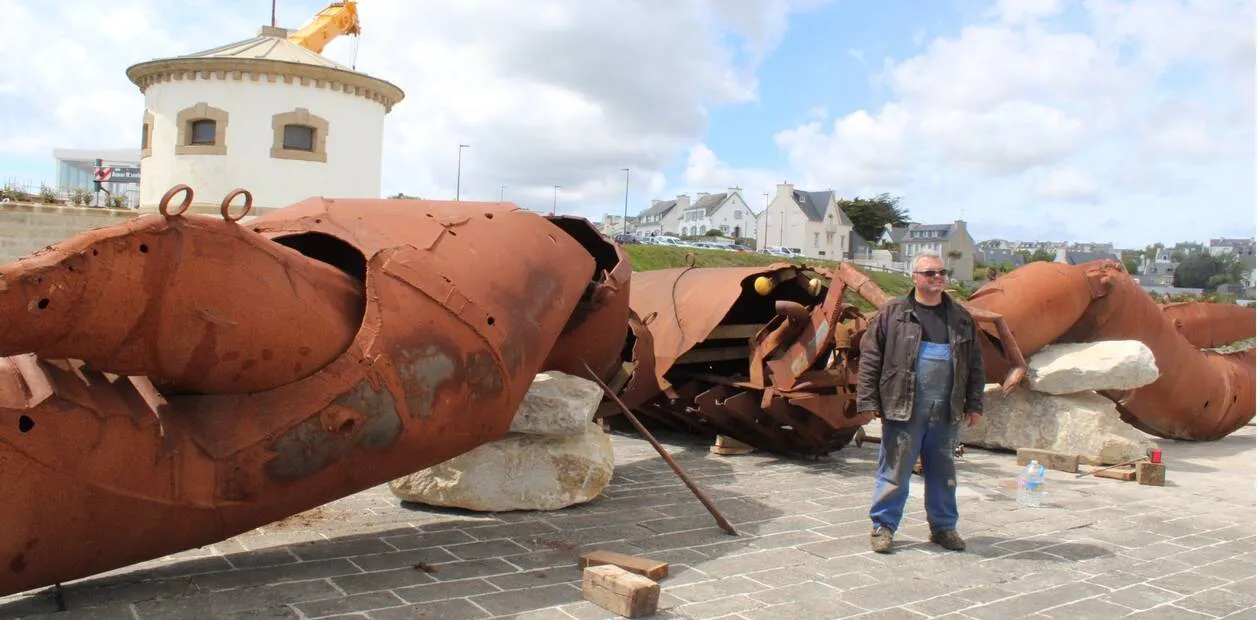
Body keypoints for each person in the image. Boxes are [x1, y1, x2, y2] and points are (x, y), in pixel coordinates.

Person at [856, 251, 984, 554]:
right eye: (930, 273)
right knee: (895, 469)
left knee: (943, 470)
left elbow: (975, 364)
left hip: (946, 408)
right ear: (914, 277)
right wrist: (867, 401)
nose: (938, 278)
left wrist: (974, 404)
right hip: (903, 405)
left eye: (942, 272)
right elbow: (871, 357)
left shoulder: (961, 318)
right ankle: (883, 527)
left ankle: (943, 527)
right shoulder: (894, 313)